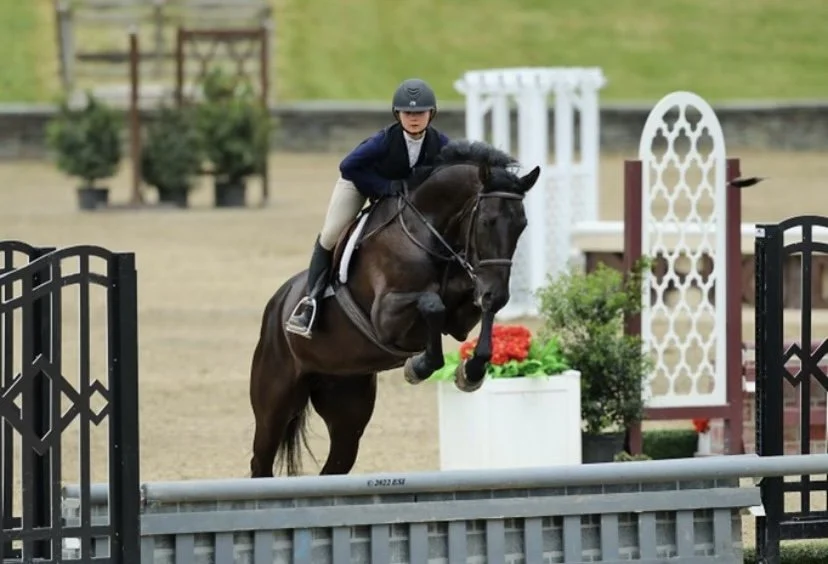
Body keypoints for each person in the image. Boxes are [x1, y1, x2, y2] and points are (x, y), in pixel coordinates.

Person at [285, 78, 451, 338]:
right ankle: (312, 302)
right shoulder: (383, 141)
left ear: (432, 113)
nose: (414, 118)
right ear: (398, 114)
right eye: (408, 113)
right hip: (360, 184)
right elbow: (348, 166)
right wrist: (384, 187)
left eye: (420, 112)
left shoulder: (440, 143)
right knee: (330, 234)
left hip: (400, 197)